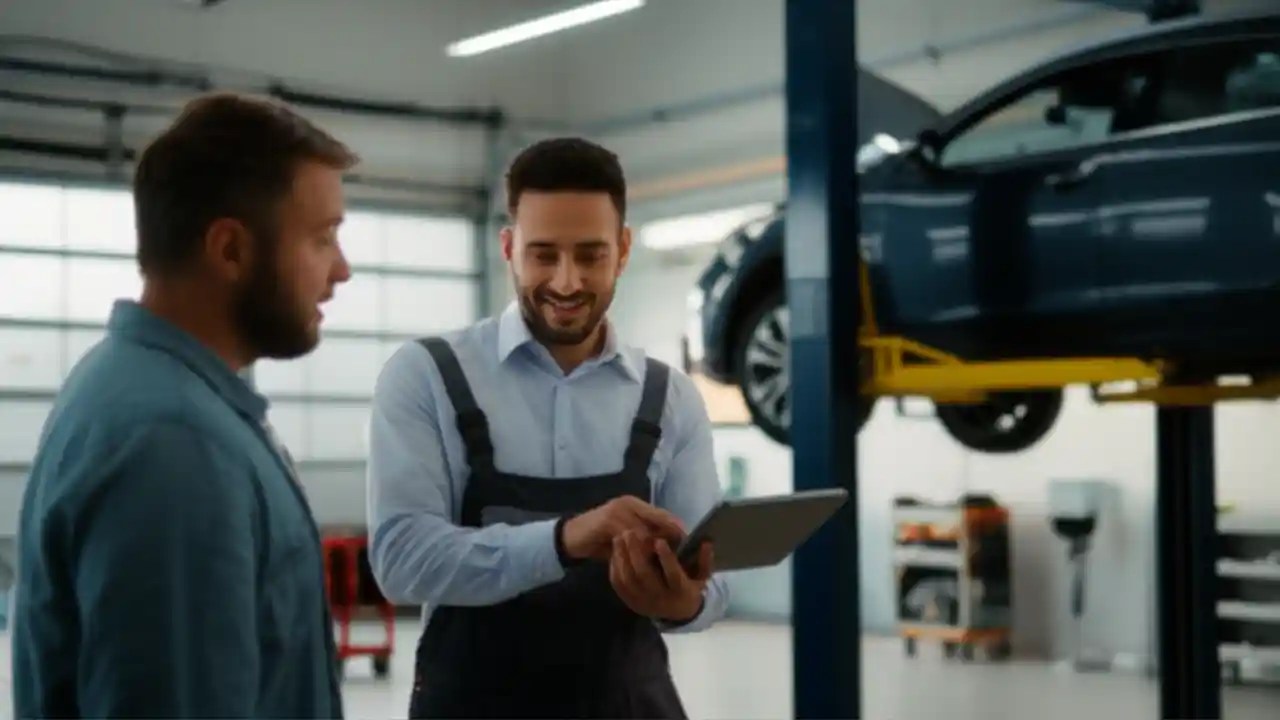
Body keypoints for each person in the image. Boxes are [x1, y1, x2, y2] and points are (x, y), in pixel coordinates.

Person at [11, 92, 357, 719]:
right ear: (230, 250)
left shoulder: (140, 387)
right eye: (322, 239)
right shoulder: (174, 443)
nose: (342, 270)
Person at [367, 137, 730, 719]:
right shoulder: (426, 376)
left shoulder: (670, 399)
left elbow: (713, 585)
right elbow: (402, 561)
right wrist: (565, 539)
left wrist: (682, 601)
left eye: (590, 255)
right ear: (508, 247)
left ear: (624, 249)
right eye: (543, 255)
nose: (566, 282)